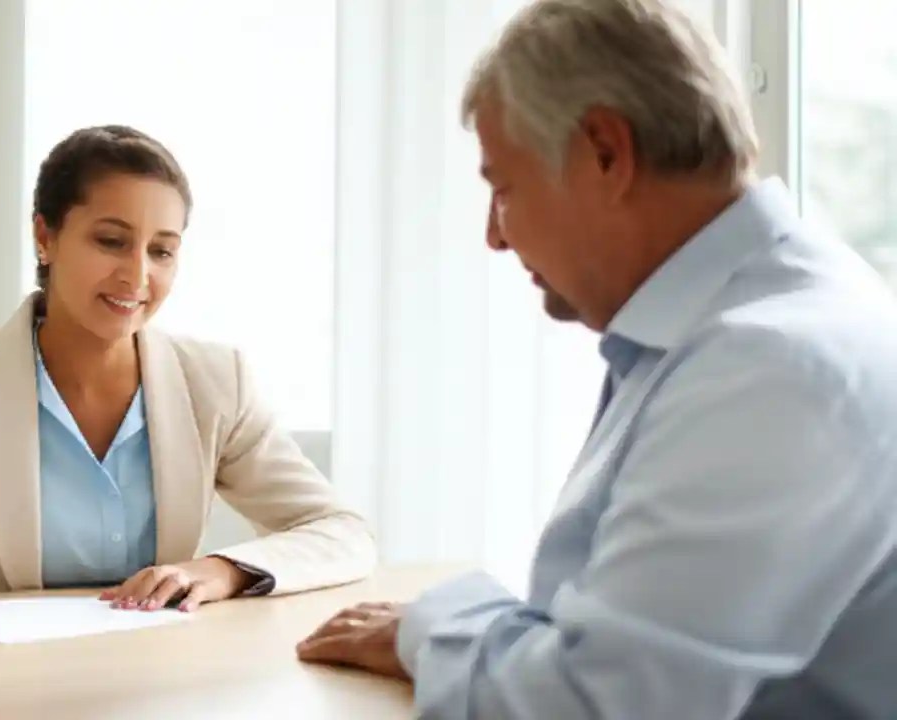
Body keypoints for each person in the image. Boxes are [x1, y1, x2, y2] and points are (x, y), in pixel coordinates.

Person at [297, 1, 897, 717]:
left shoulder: (769, 370)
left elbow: (588, 703)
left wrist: (433, 625)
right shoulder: (767, 318)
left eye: (503, 187)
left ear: (605, 152)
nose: (495, 236)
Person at [0, 125, 375, 637]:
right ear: (46, 236)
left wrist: (223, 570)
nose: (137, 276)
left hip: (160, 685)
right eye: (111, 241)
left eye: (162, 251)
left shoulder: (215, 380)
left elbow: (342, 534)